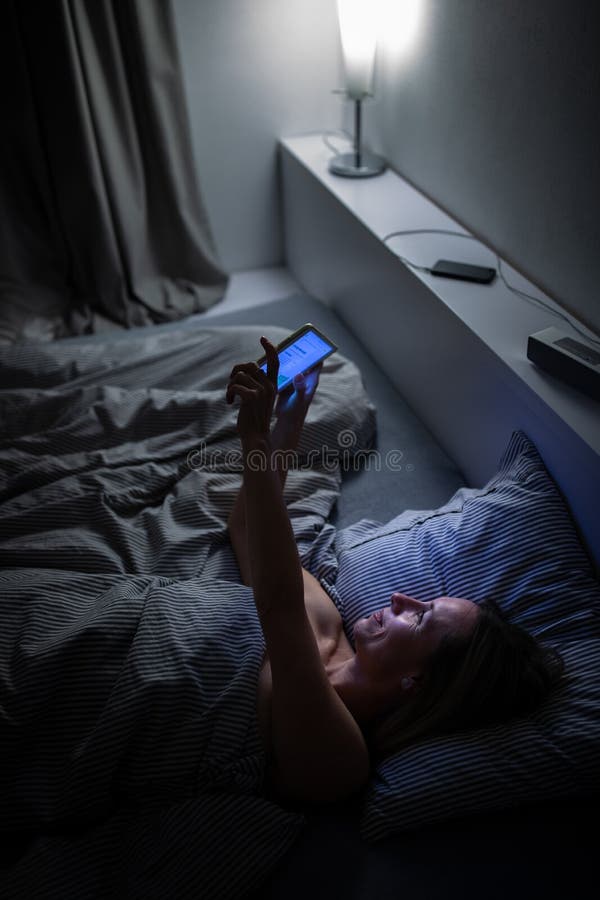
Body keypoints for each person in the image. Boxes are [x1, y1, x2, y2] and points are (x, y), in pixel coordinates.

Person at [226, 337, 564, 807]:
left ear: (416, 682)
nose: (401, 598)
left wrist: (256, 442)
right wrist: (291, 414)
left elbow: (277, 604)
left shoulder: (343, 760)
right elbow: (246, 531)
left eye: (420, 617)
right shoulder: (325, 622)